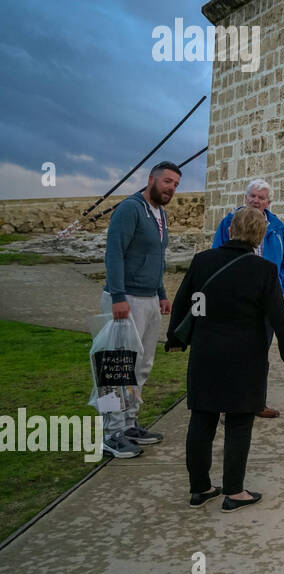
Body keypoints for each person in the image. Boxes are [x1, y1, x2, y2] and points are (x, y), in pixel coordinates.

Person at [166, 206, 284, 512]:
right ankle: (234, 491)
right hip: (245, 356)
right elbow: (278, 316)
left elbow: (185, 301)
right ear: (260, 237)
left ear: (230, 230)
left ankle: (200, 488)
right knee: (239, 422)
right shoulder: (264, 270)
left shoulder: (202, 261)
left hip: (205, 353)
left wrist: (176, 339)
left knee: (202, 420)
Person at [99, 161, 180, 459]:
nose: (171, 188)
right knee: (115, 368)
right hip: (125, 299)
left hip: (149, 299)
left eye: (176, 185)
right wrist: (118, 295)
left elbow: (156, 257)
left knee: (140, 366)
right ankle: (110, 432)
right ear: (151, 180)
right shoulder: (130, 209)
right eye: (167, 181)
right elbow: (114, 253)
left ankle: (129, 423)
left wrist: (162, 293)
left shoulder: (160, 214)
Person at [212, 178, 284, 418]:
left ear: (268, 202)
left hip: (266, 299)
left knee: (259, 353)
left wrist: (279, 285)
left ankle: (256, 402)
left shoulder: (276, 226)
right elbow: (217, 253)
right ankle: (227, 405)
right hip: (236, 300)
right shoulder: (229, 222)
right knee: (231, 352)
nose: (256, 200)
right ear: (245, 198)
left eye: (261, 197)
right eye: (253, 196)